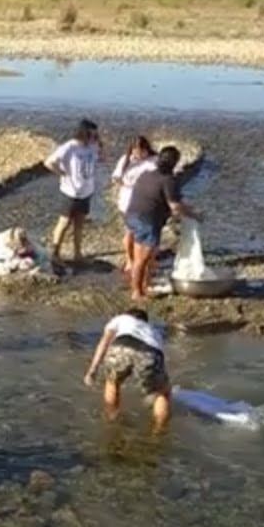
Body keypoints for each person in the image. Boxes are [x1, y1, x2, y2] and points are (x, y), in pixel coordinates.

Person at [125, 146, 201, 301]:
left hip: (132, 214)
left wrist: (186, 208)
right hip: (146, 220)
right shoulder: (168, 180)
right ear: (174, 163)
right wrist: (194, 215)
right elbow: (175, 205)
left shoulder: (147, 174)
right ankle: (136, 292)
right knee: (142, 258)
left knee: (149, 256)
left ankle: (144, 286)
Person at [83, 308, 172, 434]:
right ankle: (159, 431)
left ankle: (111, 421)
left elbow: (104, 342)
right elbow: (160, 360)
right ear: (145, 321)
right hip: (149, 352)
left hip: (120, 347)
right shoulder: (153, 331)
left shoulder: (120, 319)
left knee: (112, 383)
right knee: (163, 393)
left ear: (127, 315)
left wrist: (92, 369)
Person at [44, 119, 101, 265]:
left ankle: (78, 254)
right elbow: (49, 162)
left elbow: (101, 158)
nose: (94, 137)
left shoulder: (93, 146)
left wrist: (99, 143)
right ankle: (55, 253)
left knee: (80, 224)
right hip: (71, 191)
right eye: (92, 134)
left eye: (95, 135)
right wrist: (62, 173)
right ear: (84, 133)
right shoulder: (70, 147)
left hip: (86, 191)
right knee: (64, 222)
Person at [111, 136, 157, 275]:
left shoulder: (153, 161)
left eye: (141, 151)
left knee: (147, 231)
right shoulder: (125, 160)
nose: (137, 154)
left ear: (146, 149)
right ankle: (130, 260)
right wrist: (127, 185)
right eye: (135, 151)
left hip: (146, 201)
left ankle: (147, 260)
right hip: (128, 201)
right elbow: (116, 178)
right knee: (130, 232)